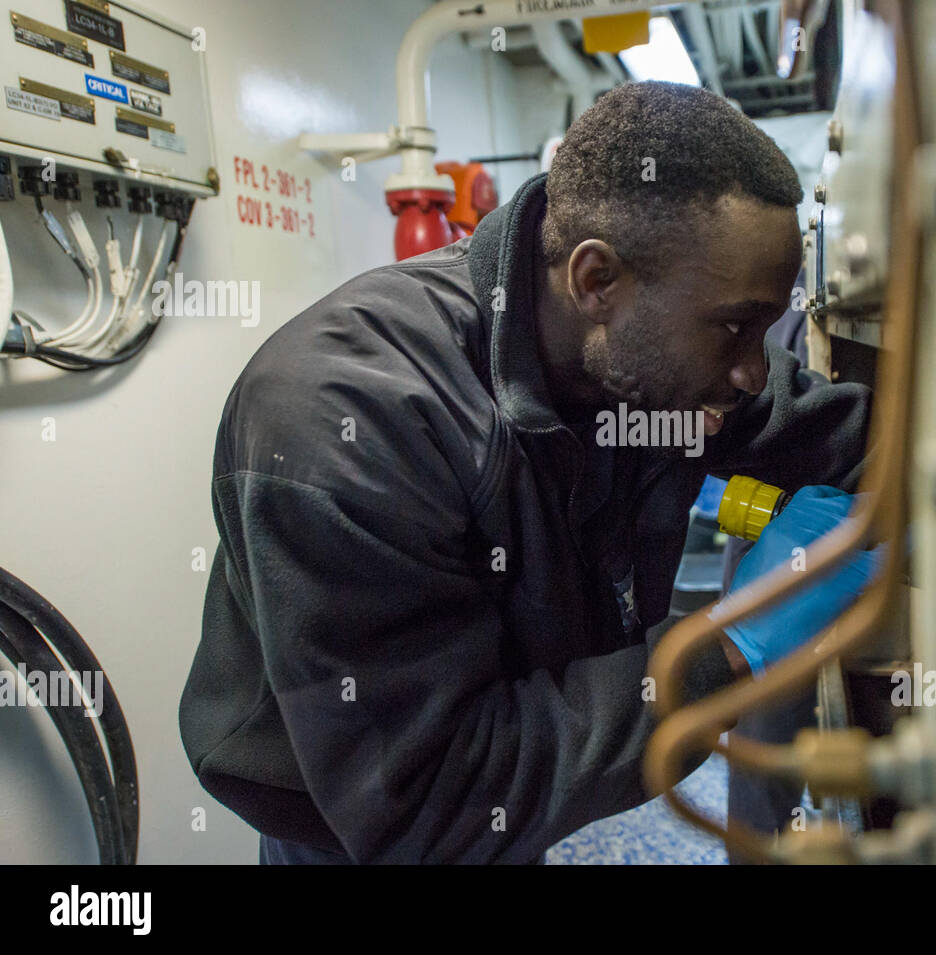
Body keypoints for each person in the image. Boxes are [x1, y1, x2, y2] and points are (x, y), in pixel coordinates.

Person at [179, 81, 872, 864]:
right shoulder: (346, 420)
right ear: (596, 281)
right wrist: (731, 647)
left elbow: (849, 434)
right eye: (734, 326)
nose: (754, 369)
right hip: (367, 832)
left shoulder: (644, 356)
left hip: (506, 796)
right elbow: (439, 801)